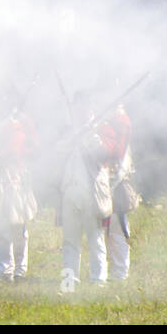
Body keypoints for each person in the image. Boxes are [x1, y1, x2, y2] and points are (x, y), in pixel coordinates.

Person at [58, 91, 119, 290]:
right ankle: (69, 281)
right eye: (78, 106)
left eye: (84, 106)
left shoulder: (103, 129)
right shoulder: (69, 129)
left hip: (92, 191)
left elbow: (106, 154)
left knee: (95, 239)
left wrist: (90, 135)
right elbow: (57, 151)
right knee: (70, 240)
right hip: (70, 191)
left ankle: (98, 280)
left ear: (91, 108)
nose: (81, 110)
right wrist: (74, 136)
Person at [0, 98, 37, 282]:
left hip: (10, 182)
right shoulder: (0, 125)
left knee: (7, 228)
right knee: (0, 229)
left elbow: (12, 153)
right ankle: (6, 269)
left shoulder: (14, 127)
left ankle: (5, 272)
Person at [101, 103, 136, 282]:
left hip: (115, 179)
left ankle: (120, 273)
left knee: (117, 229)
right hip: (106, 179)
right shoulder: (114, 119)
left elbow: (117, 152)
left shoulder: (120, 120)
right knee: (106, 230)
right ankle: (113, 272)